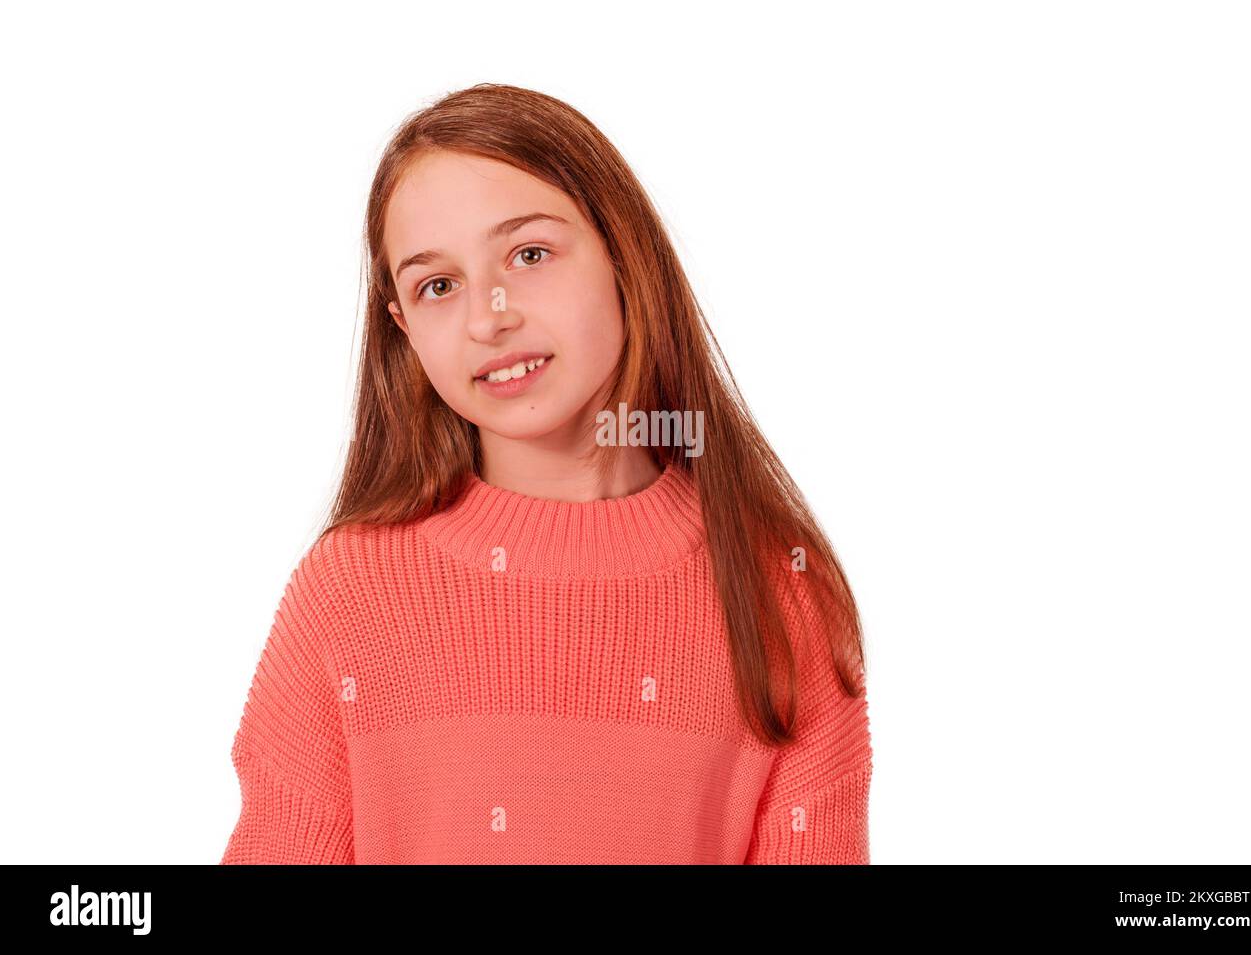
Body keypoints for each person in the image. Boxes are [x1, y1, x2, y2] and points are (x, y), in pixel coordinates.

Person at [219, 83, 873, 864]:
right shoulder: (347, 594)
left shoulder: (778, 593)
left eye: (529, 255)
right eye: (438, 285)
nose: (488, 316)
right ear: (404, 327)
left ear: (624, 253)